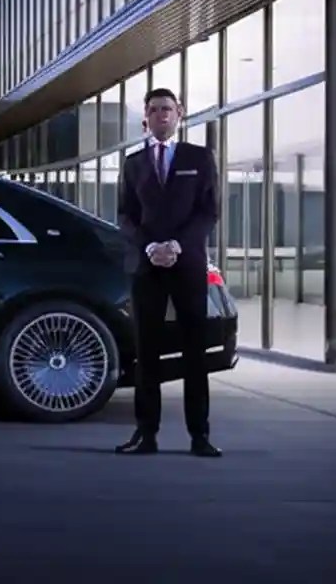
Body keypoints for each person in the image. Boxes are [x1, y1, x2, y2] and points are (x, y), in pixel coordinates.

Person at [114, 87, 222, 457]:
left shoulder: (199, 157)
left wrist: (177, 246)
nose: (161, 115)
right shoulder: (132, 163)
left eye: (168, 109)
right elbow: (126, 215)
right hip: (145, 268)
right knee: (148, 353)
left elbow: (208, 211)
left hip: (187, 265)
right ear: (145, 117)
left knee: (195, 352)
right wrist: (149, 247)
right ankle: (146, 434)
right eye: (154, 110)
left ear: (179, 114)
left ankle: (200, 436)